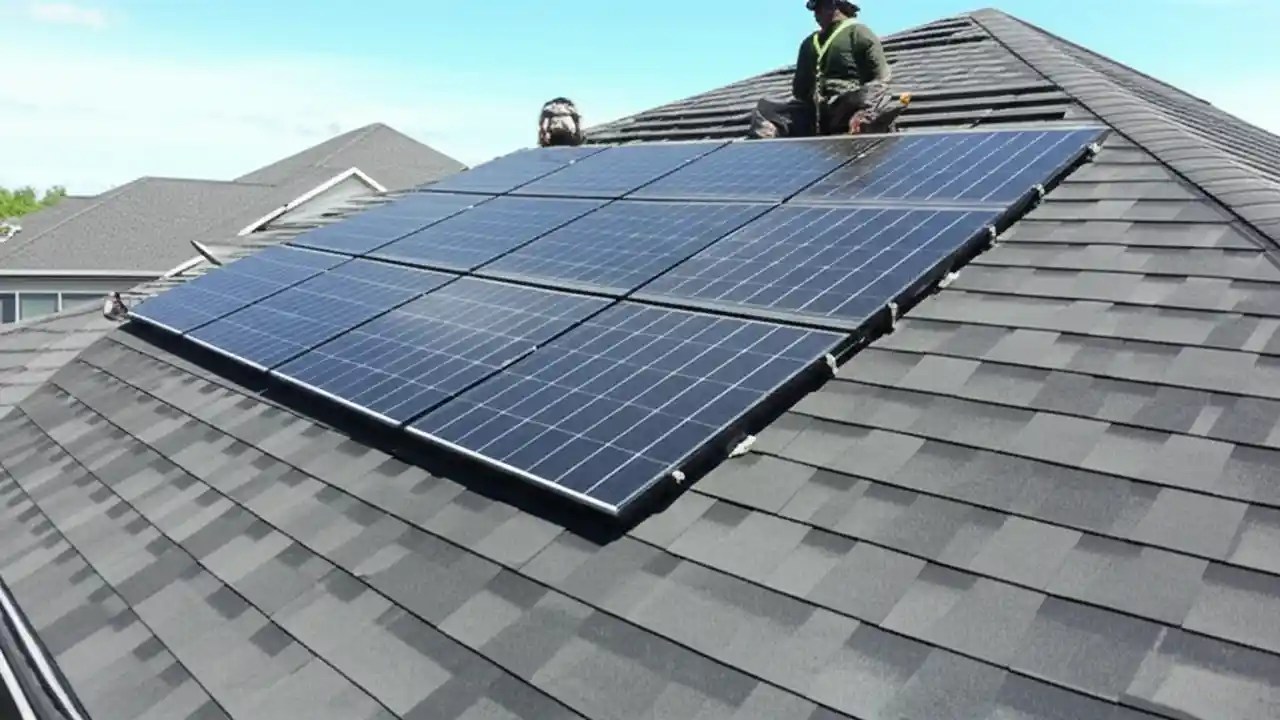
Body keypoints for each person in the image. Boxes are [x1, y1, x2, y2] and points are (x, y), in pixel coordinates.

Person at [749, 1, 895, 139]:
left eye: (819, 8)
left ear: (834, 5)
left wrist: (865, 111)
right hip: (816, 114)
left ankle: (863, 128)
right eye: (814, 10)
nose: (815, 14)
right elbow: (800, 91)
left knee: (873, 100)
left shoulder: (859, 33)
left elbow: (881, 79)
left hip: (848, 106)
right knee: (766, 110)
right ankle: (770, 152)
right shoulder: (809, 43)